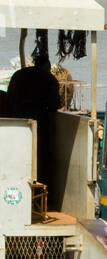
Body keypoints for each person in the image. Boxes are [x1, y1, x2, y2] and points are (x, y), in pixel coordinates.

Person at [5, 49, 61, 200]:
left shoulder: (18, 75)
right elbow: (55, 105)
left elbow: (8, 99)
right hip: (39, 125)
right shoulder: (50, 79)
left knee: (16, 159)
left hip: (15, 124)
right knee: (39, 161)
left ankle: (15, 192)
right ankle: (38, 197)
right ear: (47, 65)